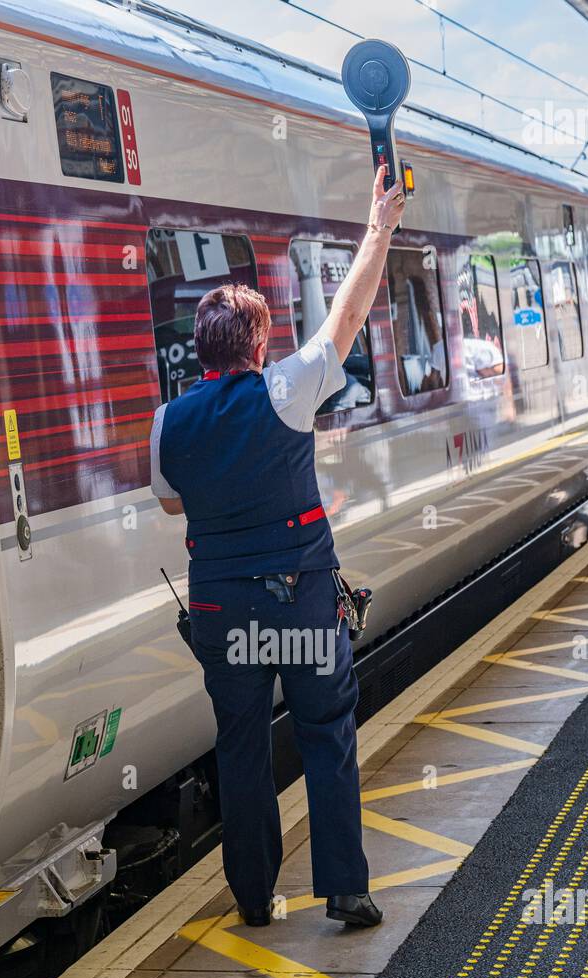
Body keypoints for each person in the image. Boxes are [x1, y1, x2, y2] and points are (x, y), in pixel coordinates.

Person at [151, 166, 406, 929]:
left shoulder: (168, 424)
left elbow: (172, 503)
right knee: (326, 729)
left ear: (200, 351)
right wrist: (379, 225)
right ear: (259, 343)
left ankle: (255, 899)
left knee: (240, 746)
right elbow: (351, 313)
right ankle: (345, 889)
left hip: (219, 602)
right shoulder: (287, 390)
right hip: (301, 593)